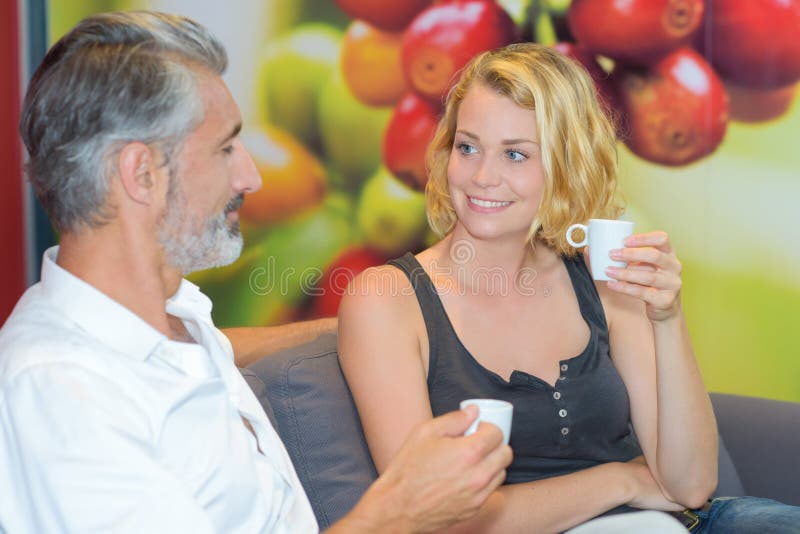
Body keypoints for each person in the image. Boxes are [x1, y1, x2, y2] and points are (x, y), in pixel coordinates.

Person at [0, 11, 515, 533]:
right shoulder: (58, 394)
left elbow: (215, 347)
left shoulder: (161, 316)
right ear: (142, 174)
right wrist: (401, 510)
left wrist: (383, 324)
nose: (250, 175)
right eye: (225, 148)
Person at [338, 42, 800, 533]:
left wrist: (667, 318)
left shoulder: (598, 278)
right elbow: (428, 518)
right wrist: (619, 481)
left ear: (564, 165)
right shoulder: (386, 300)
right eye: (467, 146)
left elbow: (689, 486)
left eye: (515, 154)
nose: (481, 176)